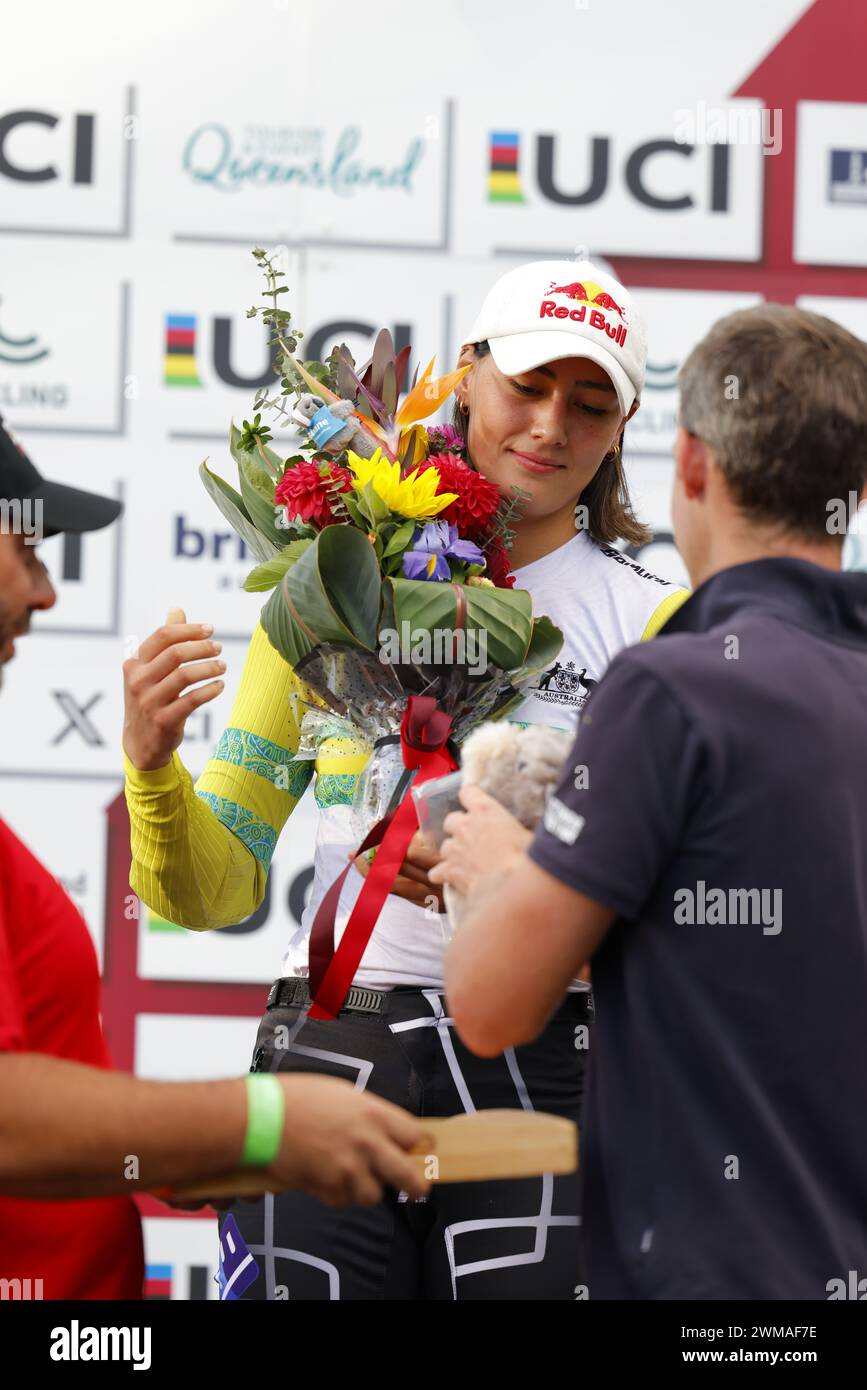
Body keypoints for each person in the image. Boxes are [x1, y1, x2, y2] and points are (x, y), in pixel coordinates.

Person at [122, 258, 689, 1300]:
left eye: (590, 402)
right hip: (335, 1037)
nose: (551, 425)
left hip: (544, 1053)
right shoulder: (329, 578)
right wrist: (153, 768)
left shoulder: (657, 618)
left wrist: (524, 876)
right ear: (466, 375)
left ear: (624, 426)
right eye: (525, 385)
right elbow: (214, 889)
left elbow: (688, 911)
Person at [433, 303, 867, 1300]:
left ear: (693, 465)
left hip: (705, 1282)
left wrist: (503, 871)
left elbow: (492, 1003)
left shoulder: (676, 688)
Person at [0, 419, 429, 1301]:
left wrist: (194, 1146)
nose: (46, 592)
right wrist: (258, 1123)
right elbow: (11, 1116)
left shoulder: (632, 608)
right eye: (27, 549)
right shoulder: (322, 610)